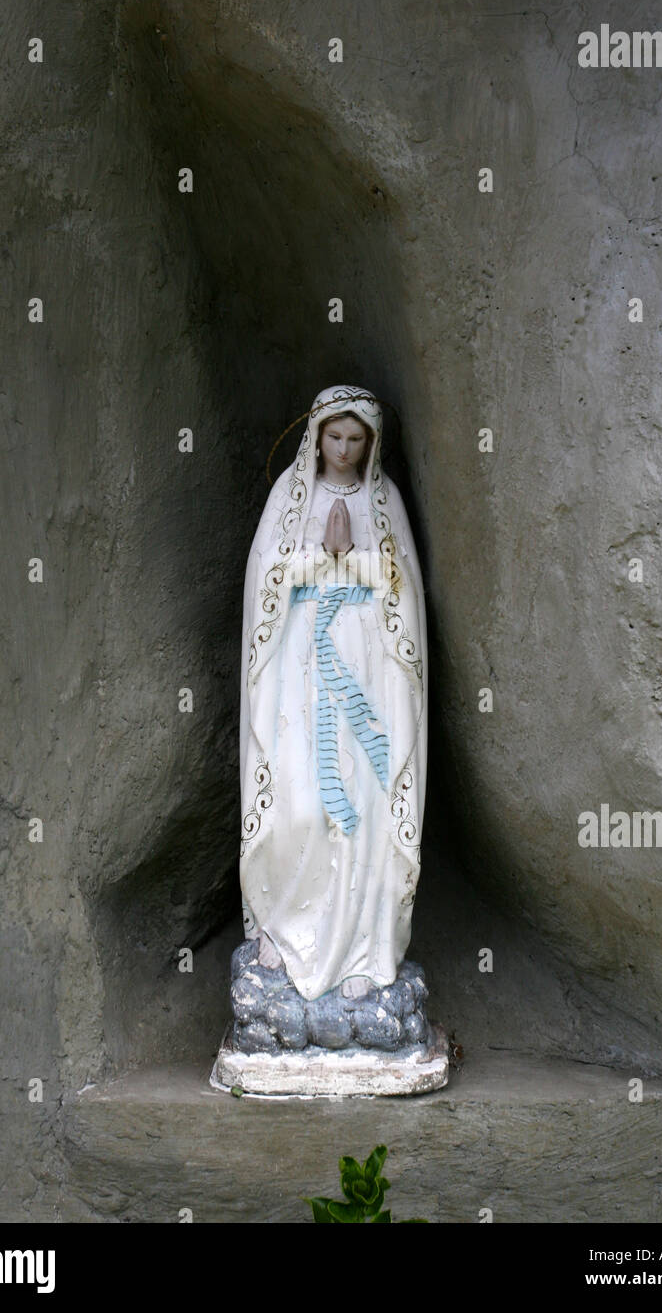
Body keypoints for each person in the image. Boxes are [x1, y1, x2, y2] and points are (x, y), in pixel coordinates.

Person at [239, 385, 427, 1003]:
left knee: (361, 804)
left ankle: (361, 948)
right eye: (334, 436)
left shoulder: (385, 498)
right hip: (301, 665)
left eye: (355, 439)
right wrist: (324, 557)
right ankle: (285, 928)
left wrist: (354, 559)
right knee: (298, 798)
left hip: (364, 663)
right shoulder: (290, 497)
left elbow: (402, 591)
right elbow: (267, 576)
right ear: (316, 435)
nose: (343, 449)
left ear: (370, 444)